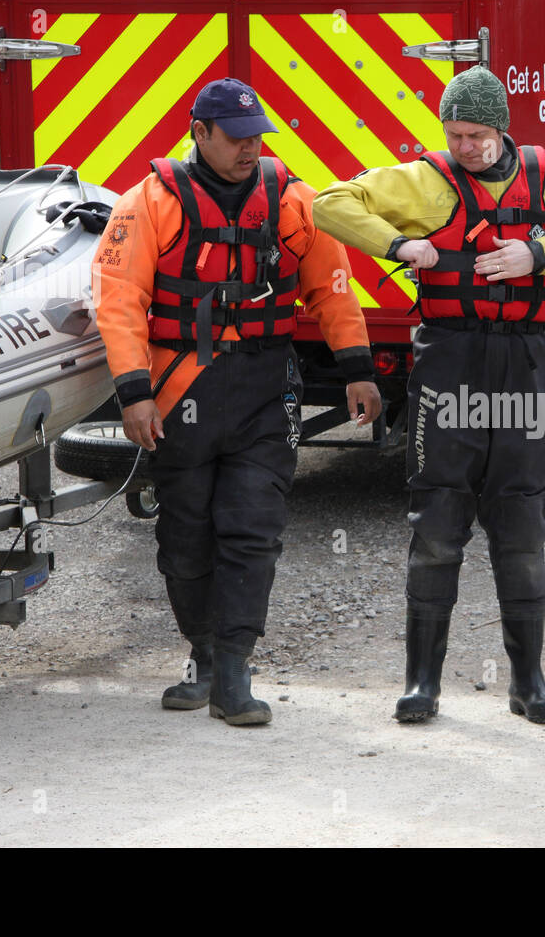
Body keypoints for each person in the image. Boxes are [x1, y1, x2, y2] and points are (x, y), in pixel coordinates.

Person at [313, 67, 545, 725]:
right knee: (437, 526)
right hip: (449, 361)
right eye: (454, 134)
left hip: (526, 362)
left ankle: (529, 683)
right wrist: (399, 244)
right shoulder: (424, 180)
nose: (466, 147)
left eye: (477, 135)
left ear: (502, 128)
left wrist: (536, 256)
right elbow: (329, 204)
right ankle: (422, 683)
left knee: (521, 526)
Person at [93, 77, 382, 726]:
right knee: (185, 534)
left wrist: (358, 369)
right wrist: (133, 393)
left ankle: (234, 669)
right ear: (200, 134)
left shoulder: (292, 202)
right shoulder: (148, 204)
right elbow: (119, 302)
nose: (250, 148)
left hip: (261, 390)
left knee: (252, 529)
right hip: (179, 392)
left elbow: (332, 289)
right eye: (236, 137)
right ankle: (203, 652)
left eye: (257, 137)